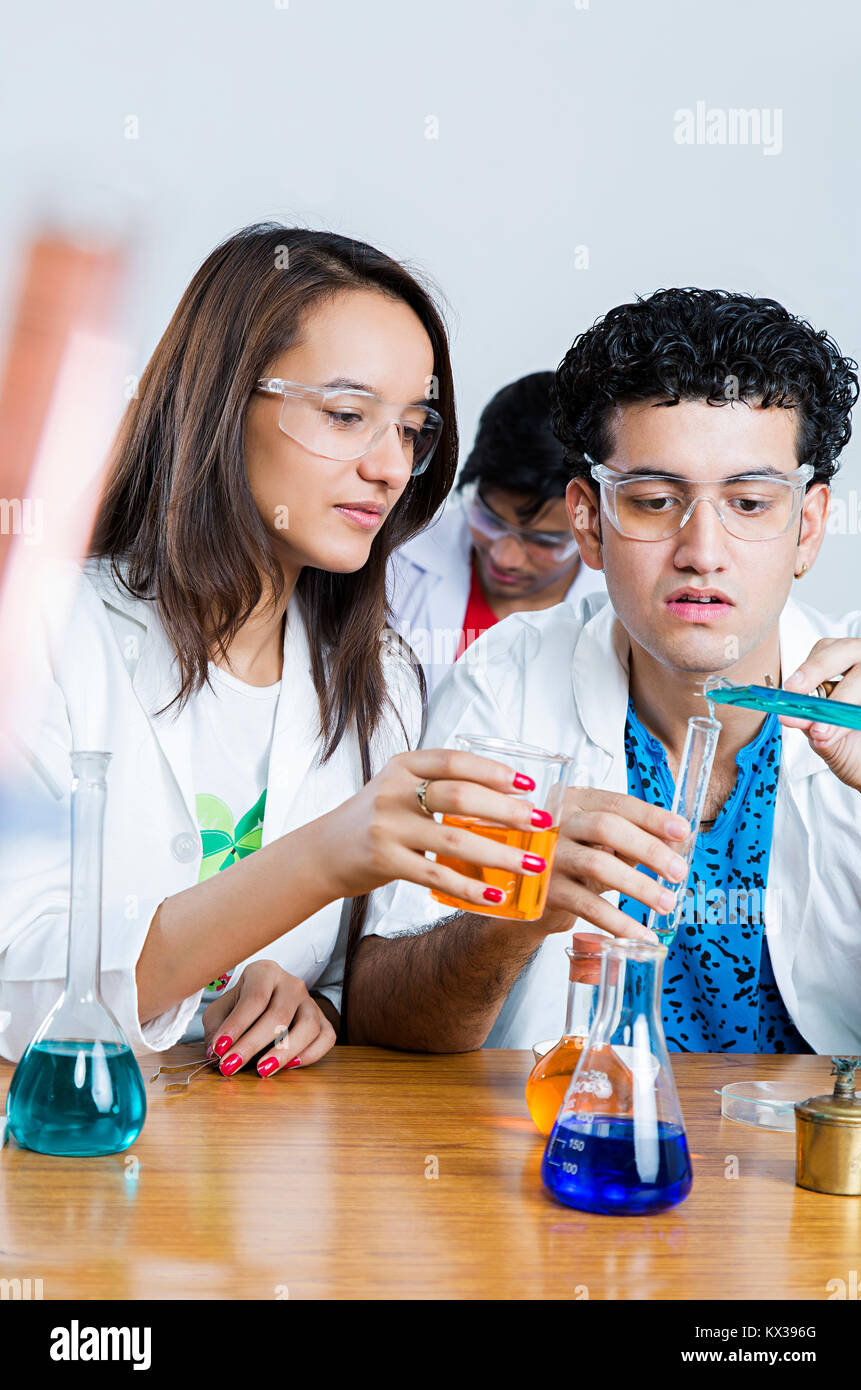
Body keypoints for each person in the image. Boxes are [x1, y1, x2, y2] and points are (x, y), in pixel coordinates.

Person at [0, 224, 556, 1074]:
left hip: (254, 1176)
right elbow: (20, 994)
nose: (390, 467)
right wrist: (323, 856)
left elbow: (346, 976)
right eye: (345, 415)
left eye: (412, 429)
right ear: (221, 400)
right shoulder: (43, 634)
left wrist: (310, 1004)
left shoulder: (381, 679)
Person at [347, 287, 861, 1055]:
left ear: (809, 527)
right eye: (656, 500)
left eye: (751, 504)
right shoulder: (503, 685)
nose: (703, 550)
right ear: (589, 520)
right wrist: (514, 908)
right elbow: (381, 1015)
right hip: (572, 1159)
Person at [388, 371, 605, 694]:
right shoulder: (398, 560)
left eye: (542, 540)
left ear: (593, 521)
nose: (505, 558)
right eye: (490, 520)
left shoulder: (616, 611)